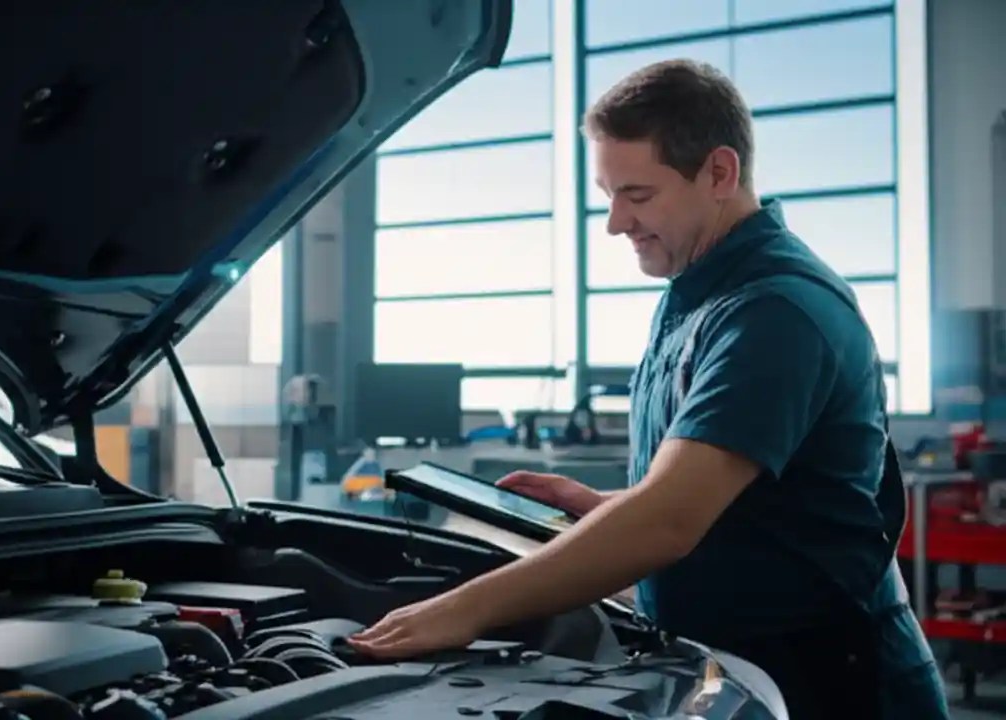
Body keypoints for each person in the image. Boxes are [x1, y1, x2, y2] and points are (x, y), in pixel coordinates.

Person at [347, 59, 950, 719]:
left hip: (831, 682)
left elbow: (668, 520)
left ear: (719, 173)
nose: (614, 223)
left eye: (637, 195)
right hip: (737, 666)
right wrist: (607, 507)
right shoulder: (696, 291)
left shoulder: (776, 311)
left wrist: (461, 611)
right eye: (609, 194)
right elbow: (728, 497)